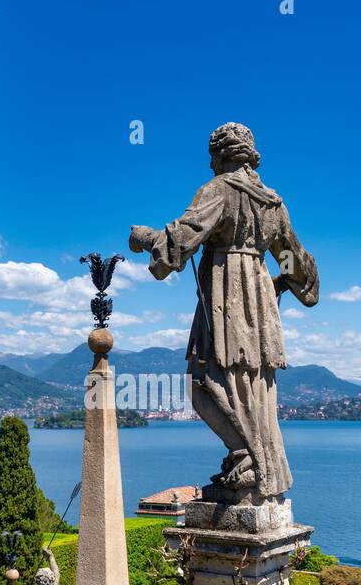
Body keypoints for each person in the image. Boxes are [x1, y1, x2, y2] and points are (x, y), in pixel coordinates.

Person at [130, 122, 319, 498]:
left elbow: (183, 239)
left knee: (203, 382)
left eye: (211, 158)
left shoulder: (219, 190)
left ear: (219, 156)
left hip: (226, 293)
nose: (210, 165)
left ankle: (249, 457)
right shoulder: (273, 204)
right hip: (259, 301)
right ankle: (258, 464)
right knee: (254, 386)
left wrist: (146, 239)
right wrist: (284, 283)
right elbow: (294, 262)